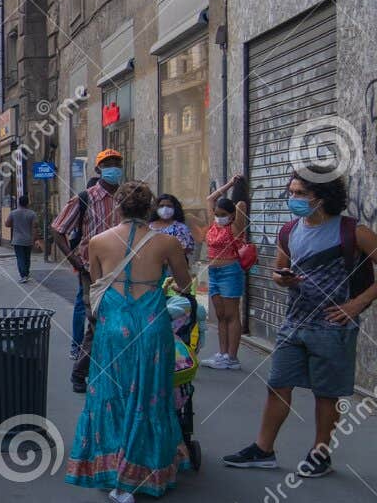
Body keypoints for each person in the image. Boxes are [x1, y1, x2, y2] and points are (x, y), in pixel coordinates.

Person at [223, 172, 377, 478]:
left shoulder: (353, 231)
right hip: (293, 322)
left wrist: (355, 304)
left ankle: (320, 452)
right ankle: (263, 449)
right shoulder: (289, 230)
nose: (293, 198)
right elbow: (277, 271)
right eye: (291, 192)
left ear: (322, 196)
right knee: (278, 385)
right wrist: (283, 277)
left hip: (333, 326)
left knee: (326, 393)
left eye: (301, 193)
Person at [65, 181, 194, 503]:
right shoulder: (168, 241)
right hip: (152, 323)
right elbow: (184, 282)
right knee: (149, 397)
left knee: (112, 395)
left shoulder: (97, 241)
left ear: (118, 207)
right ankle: (143, 470)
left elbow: (96, 282)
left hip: (114, 326)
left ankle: (115, 474)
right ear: (150, 208)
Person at [51, 149, 127, 392]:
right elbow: (57, 229)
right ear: (98, 170)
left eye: (117, 162)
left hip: (125, 270)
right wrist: (73, 259)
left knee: (120, 320)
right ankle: (84, 372)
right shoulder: (85, 198)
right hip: (92, 271)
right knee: (97, 321)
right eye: (108, 163)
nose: (114, 167)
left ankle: (104, 371)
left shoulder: (128, 197)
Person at [202, 175, 250, 369]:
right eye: (217, 213)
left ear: (231, 215)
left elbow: (241, 205)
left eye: (223, 214)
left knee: (232, 315)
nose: (218, 216)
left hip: (230, 272)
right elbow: (209, 200)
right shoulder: (214, 226)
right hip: (213, 274)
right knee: (220, 315)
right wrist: (229, 183)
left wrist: (238, 187)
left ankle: (232, 357)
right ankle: (222, 354)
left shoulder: (236, 227)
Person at [150, 193, 195, 258]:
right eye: (161, 206)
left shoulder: (181, 228)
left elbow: (187, 249)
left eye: (169, 206)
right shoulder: (148, 226)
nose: (165, 209)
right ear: (156, 208)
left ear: (175, 208)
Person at [6, 195, 37, 282]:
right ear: (28, 203)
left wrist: (15, 225)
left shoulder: (13, 213)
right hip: (28, 239)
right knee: (27, 257)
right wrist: (34, 239)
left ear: (19, 203)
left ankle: (23, 275)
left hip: (17, 240)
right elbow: (34, 227)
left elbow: (7, 224)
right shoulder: (32, 214)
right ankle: (26, 273)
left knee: (20, 257)